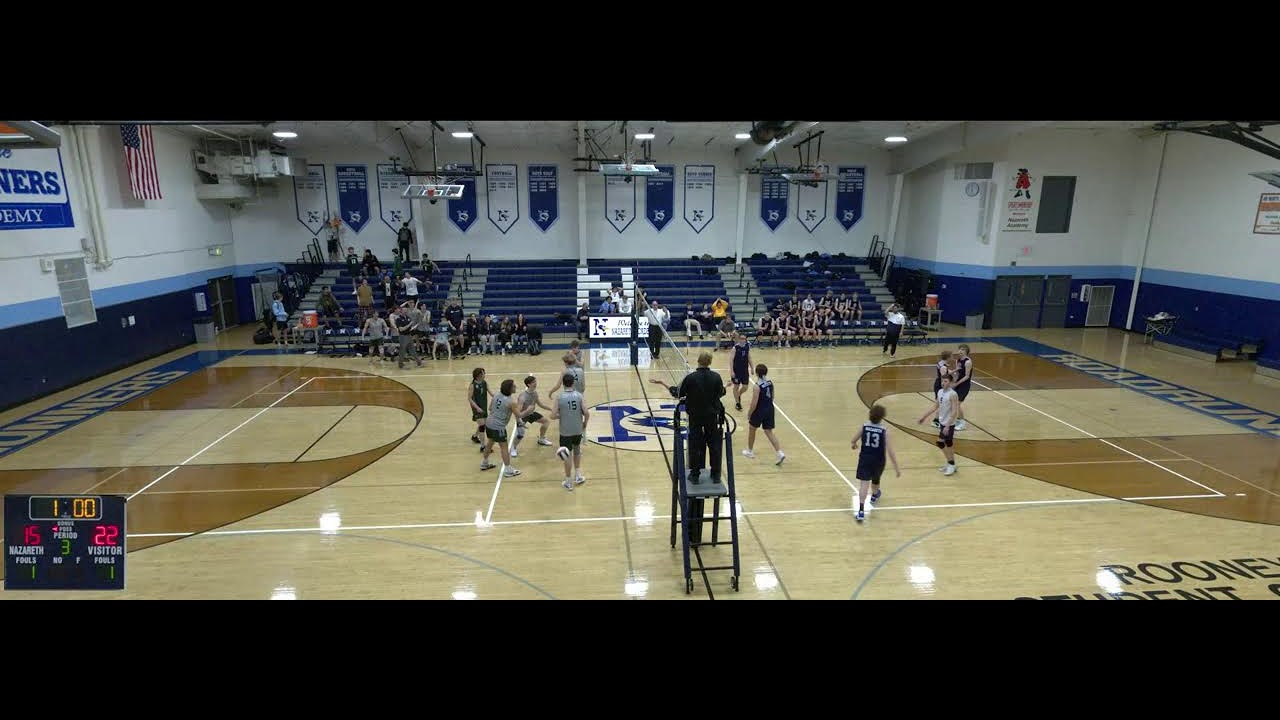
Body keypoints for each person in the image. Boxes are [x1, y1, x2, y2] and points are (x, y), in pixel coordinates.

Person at [678, 352, 727, 484]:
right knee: (714, 445)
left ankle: (695, 475)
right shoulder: (716, 377)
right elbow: (720, 393)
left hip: (695, 416)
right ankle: (716, 474)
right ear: (710, 362)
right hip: (711, 417)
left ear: (698, 361)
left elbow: (681, 393)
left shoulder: (691, 378)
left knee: (695, 445)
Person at [850, 404, 900, 522]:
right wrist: (897, 468)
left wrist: (854, 444)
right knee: (876, 479)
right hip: (878, 460)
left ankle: (861, 511)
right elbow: (890, 451)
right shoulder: (885, 431)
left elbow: (853, 440)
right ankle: (874, 495)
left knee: (864, 484)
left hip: (865, 458)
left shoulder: (864, 426)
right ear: (882, 417)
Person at [550, 373, 590, 491]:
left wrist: (561, 415)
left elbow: (552, 415)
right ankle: (578, 475)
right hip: (577, 429)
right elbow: (586, 413)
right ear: (573, 382)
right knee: (577, 451)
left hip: (565, 431)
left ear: (563, 383)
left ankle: (568, 481)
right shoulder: (579, 395)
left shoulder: (559, 397)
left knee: (567, 455)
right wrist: (584, 425)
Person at [742, 363, 785, 466]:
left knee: (752, 429)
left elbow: (754, 402)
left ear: (756, 373)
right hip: (770, 408)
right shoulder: (770, 383)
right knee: (768, 431)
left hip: (759, 410)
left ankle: (750, 451)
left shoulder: (757, 386)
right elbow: (772, 397)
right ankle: (780, 453)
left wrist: (749, 413)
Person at [918, 374, 959, 476]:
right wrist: (924, 417)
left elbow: (954, 412)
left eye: (945, 381)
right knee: (948, 444)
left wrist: (948, 425)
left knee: (941, 443)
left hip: (949, 424)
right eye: (942, 381)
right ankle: (951, 463)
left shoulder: (953, 394)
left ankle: (951, 464)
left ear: (950, 382)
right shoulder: (940, 392)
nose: (943, 383)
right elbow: (935, 406)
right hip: (942, 422)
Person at [480, 379, 522, 477]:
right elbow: (519, 415)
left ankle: (484, 463)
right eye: (514, 386)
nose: (515, 386)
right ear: (510, 389)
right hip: (498, 427)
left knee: (490, 442)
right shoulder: (511, 402)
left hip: (489, 423)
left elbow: (490, 408)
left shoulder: (496, 395)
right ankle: (508, 470)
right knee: (504, 447)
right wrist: (529, 409)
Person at [512, 375, 554, 456]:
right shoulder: (522, 397)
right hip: (522, 416)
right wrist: (519, 421)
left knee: (546, 422)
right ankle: (513, 448)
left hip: (531, 414)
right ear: (528, 384)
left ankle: (541, 439)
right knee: (520, 435)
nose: (536, 383)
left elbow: (540, 404)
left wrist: (551, 409)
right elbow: (517, 411)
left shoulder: (534, 393)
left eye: (535, 381)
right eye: (533, 382)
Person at [729, 331, 752, 411]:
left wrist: (752, 368)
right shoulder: (735, 348)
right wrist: (732, 371)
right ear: (739, 339)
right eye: (741, 338)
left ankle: (738, 395)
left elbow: (749, 357)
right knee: (736, 386)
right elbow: (731, 360)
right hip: (736, 370)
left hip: (745, 370)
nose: (743, 340)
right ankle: (737, 403)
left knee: (745, 387)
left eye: (744, 339)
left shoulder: (747, 347)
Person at [952, 343, 973, 431]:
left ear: (966, 352)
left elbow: (967, 376)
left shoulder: (968, 362)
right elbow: (958, 372)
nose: (960, 351)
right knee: (954, 403)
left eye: (963, 350)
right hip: (958, 384)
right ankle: (958, 420)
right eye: (960, 349)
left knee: (957, 404)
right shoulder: (958, 360)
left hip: (964, 385)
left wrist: (957, 384)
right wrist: (953, 380)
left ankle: (962, 423)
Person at [467, 367, 490, 445]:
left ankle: (475, 436)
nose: (485, 374)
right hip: (476, 407)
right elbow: (469, 399)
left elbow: (490, 392)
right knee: (482, 426)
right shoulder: (472, 385)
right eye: (483, 373)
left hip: (483, 406)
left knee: (484, 423)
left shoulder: (484, 382)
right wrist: (477, 408)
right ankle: (483, 446)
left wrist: (498, 397)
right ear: (479, 375)